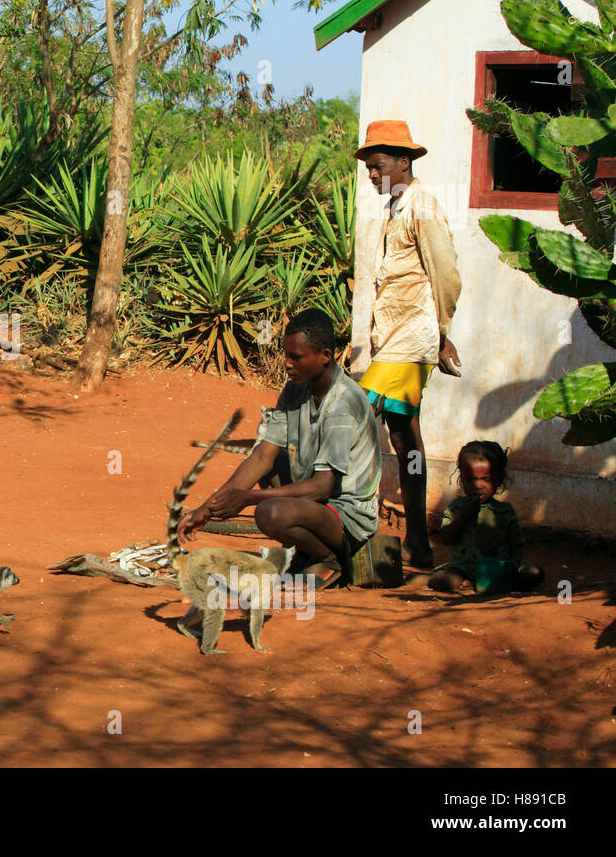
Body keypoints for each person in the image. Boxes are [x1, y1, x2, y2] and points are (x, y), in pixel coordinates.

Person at [181, 307, 382, 588]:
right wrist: (207, 509)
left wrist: (247, 498)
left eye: (296, 357)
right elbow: (262, 457)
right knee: (270, 464)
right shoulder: (295, 389)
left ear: (325, 356)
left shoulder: (342, 404)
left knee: (269, 512)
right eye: (286, 355)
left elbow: (322, 488)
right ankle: (307, 550)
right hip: (315, 502)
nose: (287, 364)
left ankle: (330, 557)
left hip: (346, 514)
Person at [355, 120, 462, 570]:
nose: (372, 175)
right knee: (403, 434)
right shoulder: (395, 208)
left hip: (412, 338)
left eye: (378, 166)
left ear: (404, 162)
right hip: (393, 338)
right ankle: (419, 539)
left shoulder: (422, 207)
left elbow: (446, 273)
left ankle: (338, 523)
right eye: (368, 168)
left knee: (356, 415)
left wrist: (440, 330)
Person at [427, 441, 544, 593]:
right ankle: (477, 583)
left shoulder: (505, 511)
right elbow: (446, 538)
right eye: (471, 479)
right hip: (464, 568)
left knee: (535, 573)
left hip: (499, 568)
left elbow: (516, 543)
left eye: (486, 479)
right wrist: (463, 517)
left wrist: (513, 565)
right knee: (446, 581)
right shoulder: (457, 507)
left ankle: (492, 583)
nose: (478, 485)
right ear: (462, 479)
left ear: (499, 479)